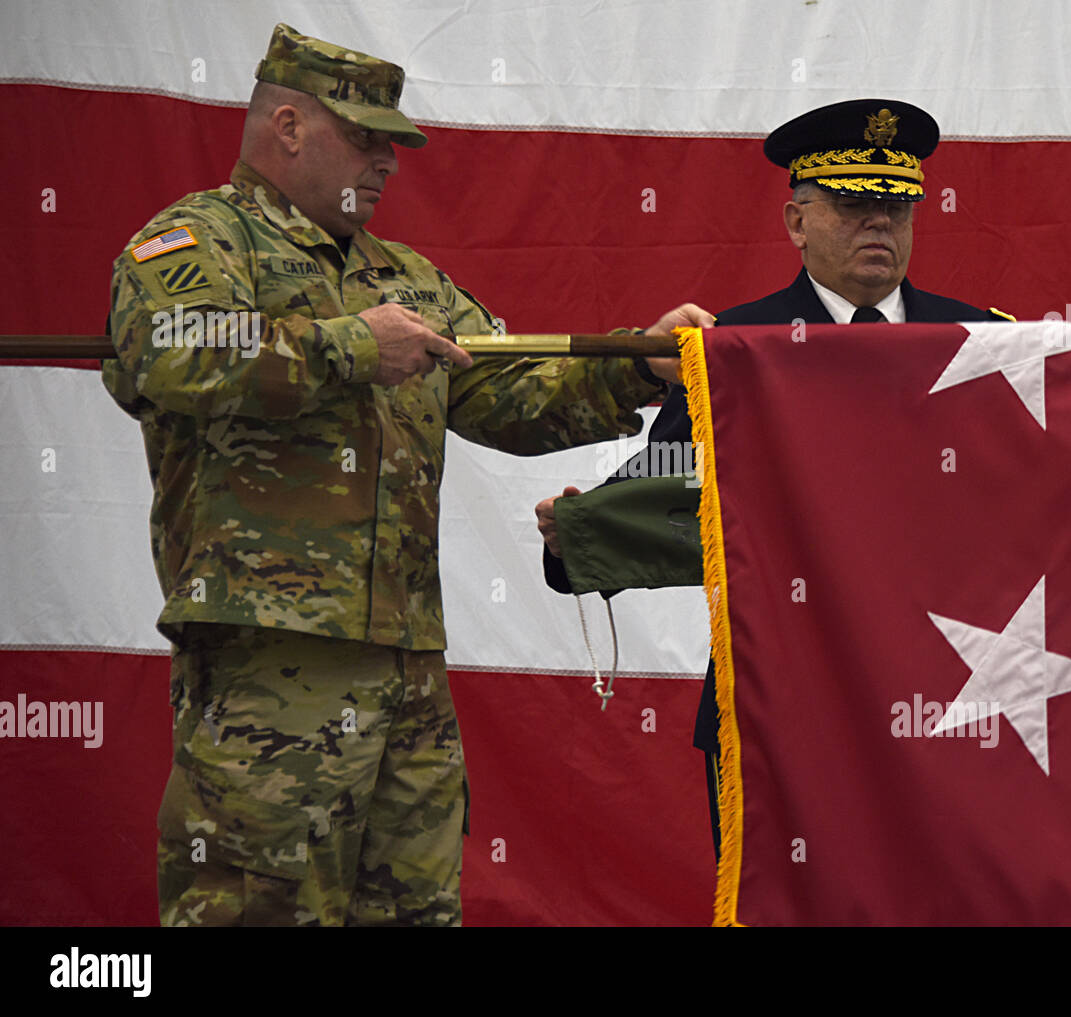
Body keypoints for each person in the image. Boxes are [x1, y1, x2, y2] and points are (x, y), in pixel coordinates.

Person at [103, 22, 709, 926]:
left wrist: (639, 364)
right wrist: (351, 348)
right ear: (289, 126)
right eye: (365, 136)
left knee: (414, 909)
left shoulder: (410, 281)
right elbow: (165, 348)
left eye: (395, 141)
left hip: (408, 664)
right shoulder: (199, 241)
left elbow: (509, 390)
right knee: (256, 907)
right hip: (272, 659)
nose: (388, 160)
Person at [536, 98, 1014, 856]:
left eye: (897, 207)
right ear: (796, 220)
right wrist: (578, 537)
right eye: (856, 204)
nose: (880, 225)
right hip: (781, 712)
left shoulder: (987, 346)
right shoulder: (735, 349)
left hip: (953, 704)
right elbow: (669, 490)